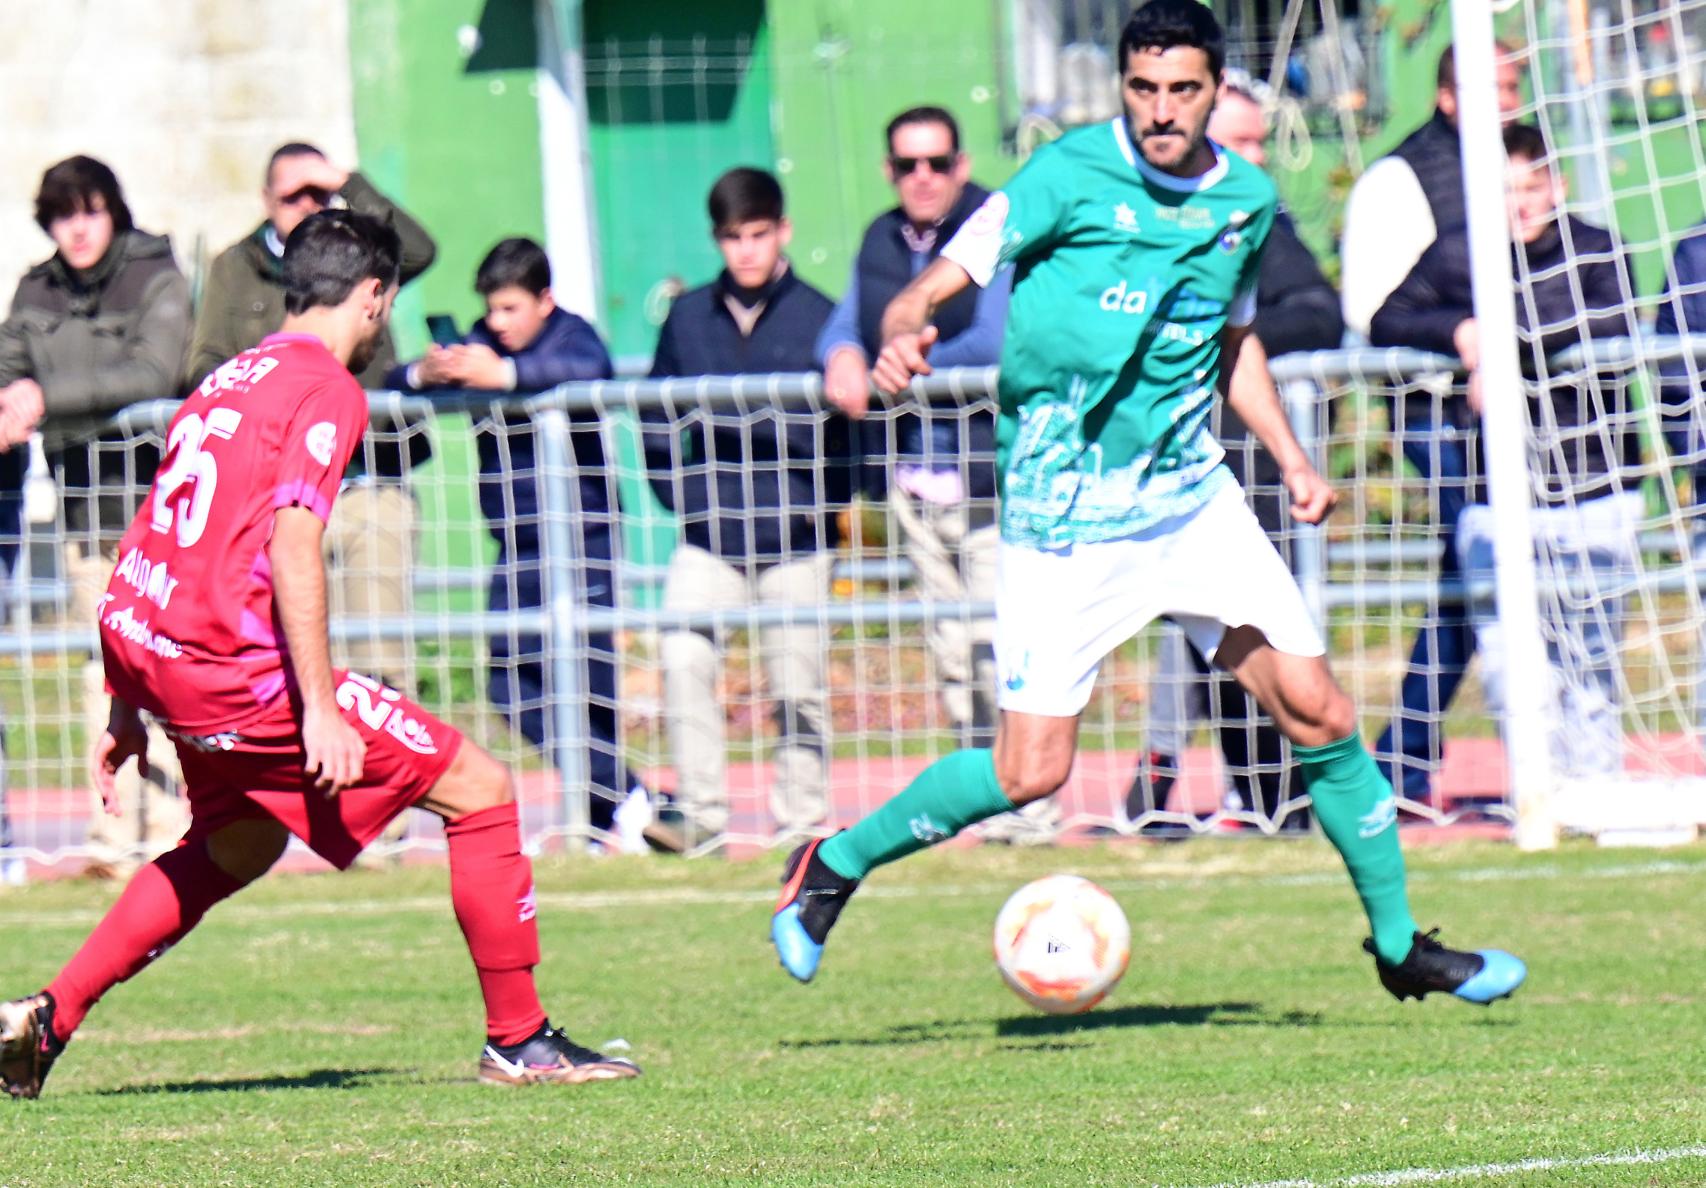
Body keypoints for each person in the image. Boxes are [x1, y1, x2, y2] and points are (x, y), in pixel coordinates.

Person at [770, 0, 1527, 1008]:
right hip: (1061, 517)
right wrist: (903, 325)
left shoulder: (1244, 203)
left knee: (1319, 708)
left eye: (1180, 90)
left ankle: (1400, 947)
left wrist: (1290, 458)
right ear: (1120, 87)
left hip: (1188, 501)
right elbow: (945, 274)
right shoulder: (1063, 176)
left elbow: (1230, 340)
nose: (1160, 110)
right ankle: (834, 864)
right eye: (1141, 89)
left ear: (1216, 91)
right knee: (1029, 771)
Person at [0, 211, 638, 1100]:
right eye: (388, 303)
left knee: (239, 843)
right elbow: (296, 544)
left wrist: (123, 698)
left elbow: (152, 537)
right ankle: (519, 1039)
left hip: (157, 648)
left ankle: (46, 1016)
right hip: (233, 669)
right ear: (373, 296)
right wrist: (322, 708)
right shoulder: (326, 387)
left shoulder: (226, 378)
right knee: (483, 792)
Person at [1371, 123, 1638, 781]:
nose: (1521, 203)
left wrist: (1504, 344)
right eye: (1505, 189)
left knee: (1590, 665)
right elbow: (1386, 320)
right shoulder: (1460, 255)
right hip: (1496, 497)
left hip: (1595, 489)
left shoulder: (1598, 251)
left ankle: (1595, 794)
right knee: (1513, 670)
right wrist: (1459, 330)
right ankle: (1535, 795)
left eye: (1532, 186)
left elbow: (1615, 321)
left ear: (1557, 186)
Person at [817, 106, 1053, 845]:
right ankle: (979, 806)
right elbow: (847, 320)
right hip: (913, 478)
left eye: (938, 162)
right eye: (907, 165)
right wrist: (845, 357)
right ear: (891, 171)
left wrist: (904, 363)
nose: (923, 178)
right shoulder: (880, 239)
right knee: (950, 653)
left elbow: (991, 341)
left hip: (991, 479)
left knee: (1001, 651)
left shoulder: (995, 226)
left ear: (961, 162)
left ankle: (1032, 807)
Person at [386, 238, 658, 853]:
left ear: (545, 301)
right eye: (493, 311)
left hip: (582, 540)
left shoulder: (574, 337)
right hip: (517, 544)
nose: (500, 324)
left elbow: (587, 372)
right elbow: (391, 380)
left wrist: (505, 377)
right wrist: (424, 373)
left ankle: (601, 820)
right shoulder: (481, 338)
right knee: (510, 685)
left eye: (512, 309)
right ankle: (628, 797)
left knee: (590, 687)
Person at [1125, 75, 1345, 835]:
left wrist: (1217, 347)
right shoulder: (1145, 221)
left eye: (1260, 141)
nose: (1256, 156)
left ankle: (1265, 793)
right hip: (1144, 464)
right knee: (1178, 623)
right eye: (1240, 141)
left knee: (1237, 628)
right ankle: (1154, 781)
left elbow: (1318, 312)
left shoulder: (1261, 224)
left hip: (1237, 469)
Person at [189, 142, 438, 706]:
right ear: (265, 199)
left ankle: (378, 782)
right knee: (277, 663)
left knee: (380, 668)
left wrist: (349, 181)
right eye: (291, 194)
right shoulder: (237, 266)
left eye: (316, 193)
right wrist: (271, 388)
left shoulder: (361, 248)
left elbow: (419, 251)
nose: (305, 203)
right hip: (275, 484)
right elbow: (200, 364)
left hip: (366, 477)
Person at [644, 168, 849, 852]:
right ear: (717, 240)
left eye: (759, 235)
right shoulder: (687, 316)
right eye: (733, 238)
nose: (747, 251)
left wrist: (828, 508)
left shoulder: (822, 315)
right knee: (681, 657)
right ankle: (701, 818)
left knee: (799, 683)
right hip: (709, 538)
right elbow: (655, 415)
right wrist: (683, 498)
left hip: (797, 538)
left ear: (783, 231)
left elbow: (856, 427)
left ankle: (802, 824)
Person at [0, 155, 193, 879]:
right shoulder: (36, 288)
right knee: (104, 675)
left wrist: (43, 397)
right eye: (60, 215)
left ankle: (181, 837)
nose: (75, 228)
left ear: (114, 210)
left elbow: (153, 374)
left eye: (88, 211)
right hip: (87, 514)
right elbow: (6, 360)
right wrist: (10, 399)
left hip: (167, 513)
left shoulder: (158, 278)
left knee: (168, 671)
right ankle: (114, 844)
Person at [1341, 47, 1522, 805]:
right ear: (1450, 96)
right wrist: (1463, 333)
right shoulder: (1398, 180)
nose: (1510, 101)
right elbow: (1372, 311)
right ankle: (1406, 758)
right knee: (1482, 563)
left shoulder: (1522, 166)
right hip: (1433, 409)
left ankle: (1403, 759)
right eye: (1496, 89)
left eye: (1516, 87)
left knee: (1471, 570)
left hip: (1510, 408)